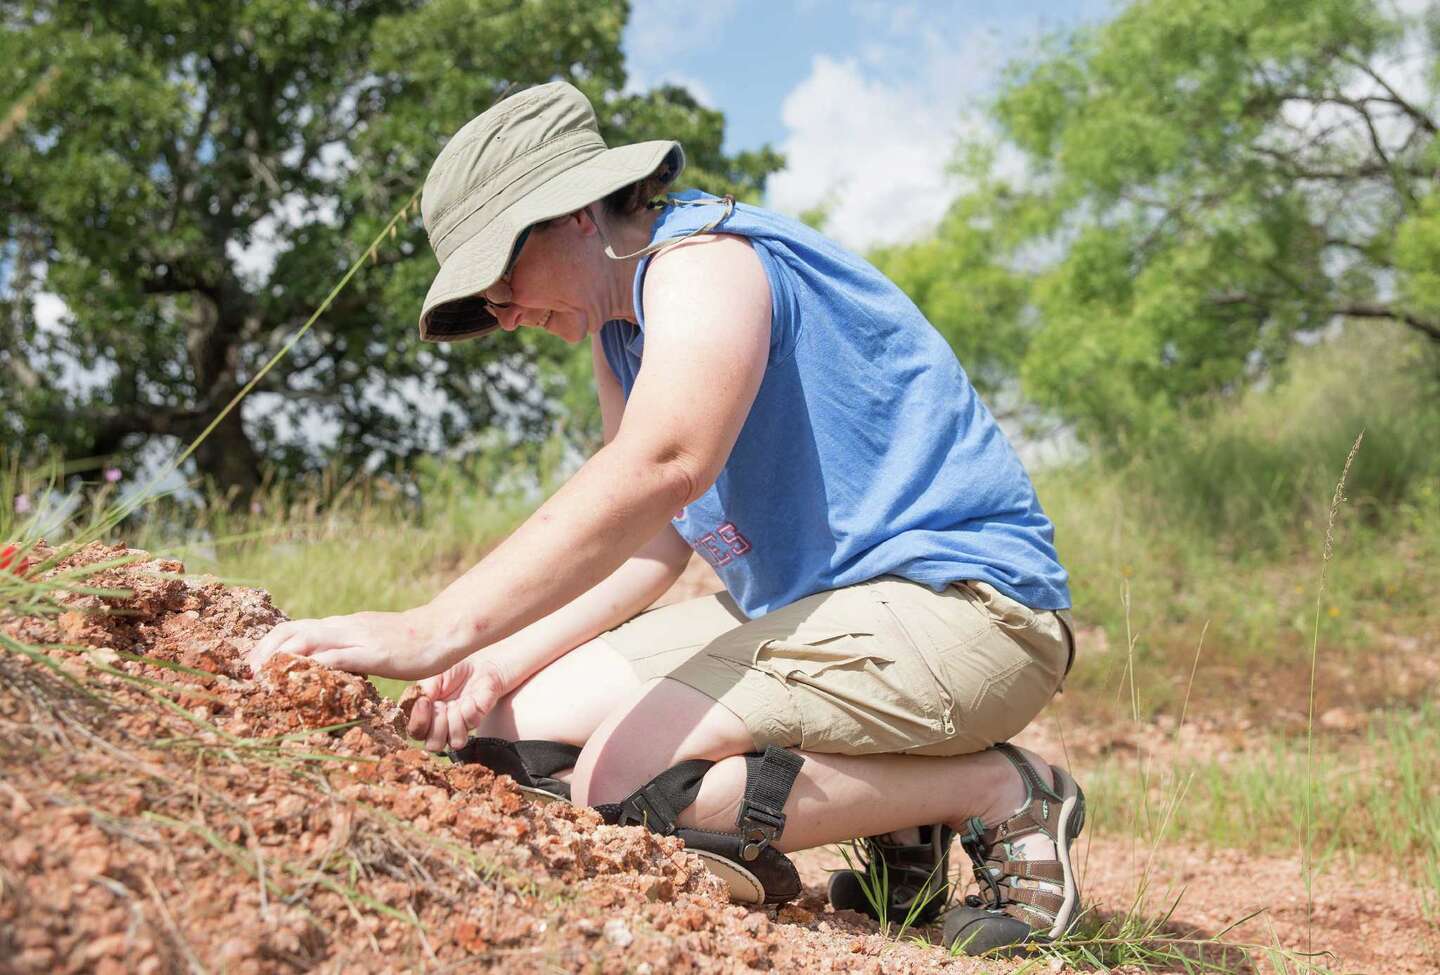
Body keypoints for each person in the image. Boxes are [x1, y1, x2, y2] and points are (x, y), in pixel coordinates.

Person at [247, 80, 1084, 956]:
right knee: (504, 736)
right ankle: (890, 822)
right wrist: (483, 661)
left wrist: (431, 627)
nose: (501, 313)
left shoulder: (704, 262)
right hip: (810, 606)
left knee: (624, 783)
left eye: (499, 273)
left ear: (574, 213)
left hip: (968, 609)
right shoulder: (622, 329)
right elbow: (652, 542)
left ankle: (998, 789)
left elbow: (664, 461)